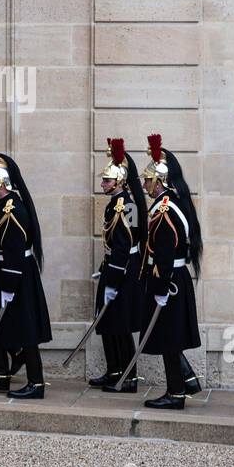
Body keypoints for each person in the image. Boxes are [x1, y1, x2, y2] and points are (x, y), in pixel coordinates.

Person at [0, 142, 51, 398]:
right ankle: (2, 376)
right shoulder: (1, 208)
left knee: (26, 331)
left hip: (16, 277)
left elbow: (15, 252)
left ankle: (36, 383)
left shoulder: (13, 211)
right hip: (3, 274)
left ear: (1, 185)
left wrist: (8, 286)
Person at [134, 134, 203, 409]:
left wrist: (161, 289)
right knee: (170, 339)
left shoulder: (164, 210)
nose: (144, 184)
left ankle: (175, 393)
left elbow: (163, 254)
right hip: (173, 279)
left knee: (169, 340)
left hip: (169, 282)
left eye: (148, 180)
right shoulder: (169, 202)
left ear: (159, 181)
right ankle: (183, 383)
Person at [92, 138, 145, 393]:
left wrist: (113, 279)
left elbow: (125, 245)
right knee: (108, 322)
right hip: (113, 267)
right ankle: (114, 371)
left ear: (120, 182)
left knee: (121, 325)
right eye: (104, 180)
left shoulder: (127, 205)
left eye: (107, 180)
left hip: (122, 272)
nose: (103, 183)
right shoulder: (117, 204)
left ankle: (129, 377)